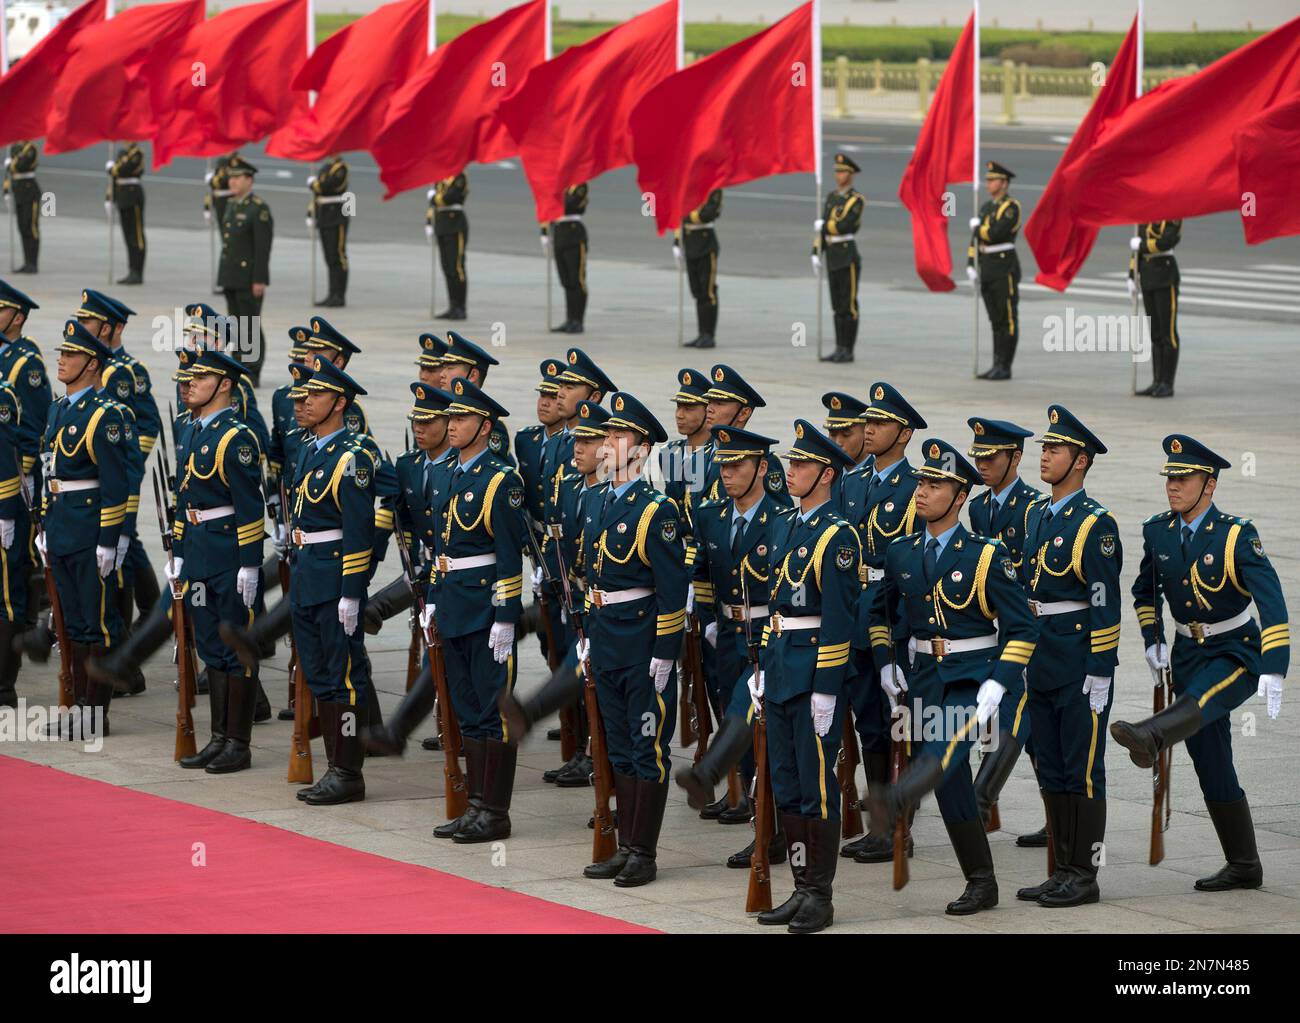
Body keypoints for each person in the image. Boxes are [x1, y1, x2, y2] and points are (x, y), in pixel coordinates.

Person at [871, 439, 1040, 916]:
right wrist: (886, 661)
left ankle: (898, 797)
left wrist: (1001, 679)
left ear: (960, 495)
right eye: (922, 482)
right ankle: (982, 882)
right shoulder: (902, 552)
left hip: (974, 676)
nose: (922, 491)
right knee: (950, 782)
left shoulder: (984, 555)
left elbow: (1023, 627)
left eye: (936, 484)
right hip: (926, 676)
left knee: (944, 752)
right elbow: (880, 612)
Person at [1113, 434, 1287, 891]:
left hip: (1236, 650)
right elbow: (1144, 592)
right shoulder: (1159, 530)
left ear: (1209, 485)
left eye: (1183, 478)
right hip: (1187, 651)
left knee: (1201, 697)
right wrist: (1153, 640)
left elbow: (1272, 601)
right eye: (1169, 477)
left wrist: (1275, 665)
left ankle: (1151, 733)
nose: (1173, 485)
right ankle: (1244, 864)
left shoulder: (1235, 534)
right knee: (1211, 760)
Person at [750, 420, 858, 933]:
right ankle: (799, 886)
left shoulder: (840, 536)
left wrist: (827, 689)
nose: (790, 472)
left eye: (801, 465)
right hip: (780, 667)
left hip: (813, 671)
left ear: (827, 474)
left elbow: (840, 618)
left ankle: (820, 894)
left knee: (817, 789)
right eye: (791, 463)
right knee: (788, 787)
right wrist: (761, 665)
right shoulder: (785, 524)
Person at [1015, 406, 1122, 908]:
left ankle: (1085, 872)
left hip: (1078, 660)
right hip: (1039, 657)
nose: (1045, 456)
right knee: (1052, 768)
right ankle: (1060, 869)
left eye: (1054, 450)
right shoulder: (1036, 513)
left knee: (1082, 770)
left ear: (1080, 461)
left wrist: (1101, 670)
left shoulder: (1095, 524)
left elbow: (1105, 603)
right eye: (1043, 448)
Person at [578, 392, 686, 887]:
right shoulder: (595, 500)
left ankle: (644, 851)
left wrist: (665, 654)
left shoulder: (656, 511)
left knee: (648, 748)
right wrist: (586, 634)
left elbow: (672, 593)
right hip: (605, 641)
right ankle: (625, 845)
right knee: (618, 746)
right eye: (606, 434)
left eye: (618, 436)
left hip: (643, 647)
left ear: (641, 449)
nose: (607, 443)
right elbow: (588, 578)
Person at [674, 425, 787, 870]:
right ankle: (760, 823)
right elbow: (701, 570)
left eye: (737, 465)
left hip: (770, 637)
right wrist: (702, 619)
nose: (726, 473)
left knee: (751, 715)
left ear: (761, 468)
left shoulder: (781, 520)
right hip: (726, 633)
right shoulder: (711, 515)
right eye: (722, 465)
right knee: (737, 724)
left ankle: (711, 778)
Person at [424, 376, 527, 842]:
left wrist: (506, 616)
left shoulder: (501, 480)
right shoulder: (447, 472)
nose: (452, 424)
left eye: (462, 418)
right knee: (466, 710)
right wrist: (430, 600)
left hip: (485, 610)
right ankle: (475, 806)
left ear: (485, 427)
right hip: (452, 602)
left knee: (493, 712)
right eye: (450, 417)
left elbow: (509, 555)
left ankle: (496, 812)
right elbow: (438, 547)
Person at [278, 358, 379, 804]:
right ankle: (334, 765)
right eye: (303, 394)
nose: (304, 401)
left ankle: (347, 771)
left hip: (334, 578)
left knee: (344, 679)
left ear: (340, 403)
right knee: (319, 675)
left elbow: (359, 531)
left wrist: (352, 592)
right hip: (307, 575)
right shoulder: (309, 448)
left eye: (315, 395)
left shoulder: (354, 456)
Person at [837, 382, 925, 864]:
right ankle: (877, 823)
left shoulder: (917, 486)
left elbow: (916, 565)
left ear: (904, 432)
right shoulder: (852, 482)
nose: (868, 430)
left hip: (895, 618)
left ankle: (899, 826)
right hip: (855, 614)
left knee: (898, 725)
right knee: (869, 721)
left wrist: (908, 634)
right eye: (866, 422)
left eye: (880, 423)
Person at [168, 350, 266, 772]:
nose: (189, 383)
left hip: (227, 553)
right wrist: (178, 549)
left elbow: (249, 506)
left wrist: (250, 563)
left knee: (232, 647)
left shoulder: (236, 437)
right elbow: (182, 497)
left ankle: (238, 744)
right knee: (209, 644)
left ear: (224, 384)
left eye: (200, 377)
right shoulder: (190, 429)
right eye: (188, 377)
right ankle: (218, 737)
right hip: (199, 550)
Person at [40, 323, 130, 737]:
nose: (60, 359)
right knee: (71, 624)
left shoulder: (106, 415)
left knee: (95, 625)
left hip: (89, 529)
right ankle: (77, 708)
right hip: (60, 525)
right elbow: (48, 470)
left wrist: (109, 541)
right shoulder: (60, 408)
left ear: (92, 363)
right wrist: (43, 520)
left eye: (70, 354)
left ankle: (96, 714)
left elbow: (117, 484)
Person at [964, 417, 1044, 840]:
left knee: (1016, 713)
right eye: (977, 455)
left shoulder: (1033, 507)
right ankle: (1054, 817)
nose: (982, 463)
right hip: (993, 627)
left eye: (991, 456)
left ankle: (980, 800)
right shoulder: (979, 507)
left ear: (1015, 457)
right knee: (1022, 727)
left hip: (1026, 626)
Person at [216, 156, 272, 386]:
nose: (232, 182)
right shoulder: (231, 204)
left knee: (250, 323)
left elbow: (262, 248)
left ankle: (252, 369)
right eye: (231, 178)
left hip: (249, 277)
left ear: (249, 180)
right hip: (231, 276)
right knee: (236, 323)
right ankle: (238, 363)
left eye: (237, 178)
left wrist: (259, 279)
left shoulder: (258, 209)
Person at [968, 161, 1022, 381]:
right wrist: (971, 263)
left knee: (1007, 317)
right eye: (988, 180)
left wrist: (978, 228)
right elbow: (976, 239)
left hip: (1004, 265)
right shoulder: (986, 207)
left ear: (1004, 183)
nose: (988, 184)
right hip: (987, 265)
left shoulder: (1011, 207)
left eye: (993, 180)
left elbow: (997, 233)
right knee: (995, 319)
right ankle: (996, 363)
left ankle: (1005, 365)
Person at [813, 153, 864, 364]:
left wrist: (824, 226)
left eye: (842, 171)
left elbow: (845, 225)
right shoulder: (832, 197)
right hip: (833, 255)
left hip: (847, 255)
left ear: (850, 174)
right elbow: (823, 229)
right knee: (836, 306)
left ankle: (848, 350)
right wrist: (816, 251)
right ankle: (839, 347)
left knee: (848, 304)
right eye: (836, 171)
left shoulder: (856, 200)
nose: (838, 175)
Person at [1129, 220, 1183, 397]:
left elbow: (1168, 240)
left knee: (1168, 333)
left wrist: (1142, 245)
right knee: (1155, 333)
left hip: (1164, 275)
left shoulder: (1172, 214)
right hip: (1147, 275)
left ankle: (1167, 383)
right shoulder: (1145, 214)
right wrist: (1132, 274)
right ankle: (1157, 381)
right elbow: (1137, 245)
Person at [0, 377, 28, 707]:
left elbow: (6, 455)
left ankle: (5, 685)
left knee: (6, 598)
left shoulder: (3, 395)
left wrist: (5, 514)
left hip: (2, 508)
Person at [676, 190, 722, 349]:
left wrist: (685, 215)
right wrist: (677, 241)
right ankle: (701, 333)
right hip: (689, 244)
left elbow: (708, 213)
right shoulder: (687, 185)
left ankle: (709, 335)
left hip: (705, 245)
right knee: (696, 291)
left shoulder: (714, 186)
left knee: (707, 291)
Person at [546, 182, 589, 334]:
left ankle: (578, 320)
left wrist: (552, 197)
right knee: (566, 281)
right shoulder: (560, 186)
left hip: (574, 233)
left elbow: (571, 205)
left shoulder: (579, 185)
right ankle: (569, 319)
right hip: (559, 232)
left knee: (577, 279)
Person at [426, 172, 469, 320]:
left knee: (457, 267)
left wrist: (433, 198)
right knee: (447, 268)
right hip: (441, 224)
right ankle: (452, 305)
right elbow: (433, 205)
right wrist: (429, 221)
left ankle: (460, 307)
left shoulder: (459, 176)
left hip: (455, 224)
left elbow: (449, 197)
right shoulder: (440, 177)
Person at [309, 155, 351, 308]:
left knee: (338, 256)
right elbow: (319, 192)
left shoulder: (341, 168)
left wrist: (315, 184)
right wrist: (311, 212)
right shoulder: (325, 167)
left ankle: (339, 295)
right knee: (329, 257)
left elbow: (330, 185)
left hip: (337, 216)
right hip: (324, 215)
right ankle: (331, 293)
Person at [107, 142, 146, 285]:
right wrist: (109, 198)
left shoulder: (137, 154)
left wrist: (113, 168)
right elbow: (116, 176)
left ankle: (138, 271)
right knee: (128, 235)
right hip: (123, 196)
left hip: (133, 195)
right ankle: (131, 270)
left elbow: (125, 169)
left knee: (136, 235)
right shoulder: (123, 153)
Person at [3, 141, 41, 273]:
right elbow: (8, 175)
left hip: (30, 191)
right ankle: (27, 262)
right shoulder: (14, 147)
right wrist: (6, 191)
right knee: (22, 227)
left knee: (31, 228)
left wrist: (10, 164)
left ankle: (33, 263)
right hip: (18, 192)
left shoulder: (31, 148)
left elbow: (21, 165)